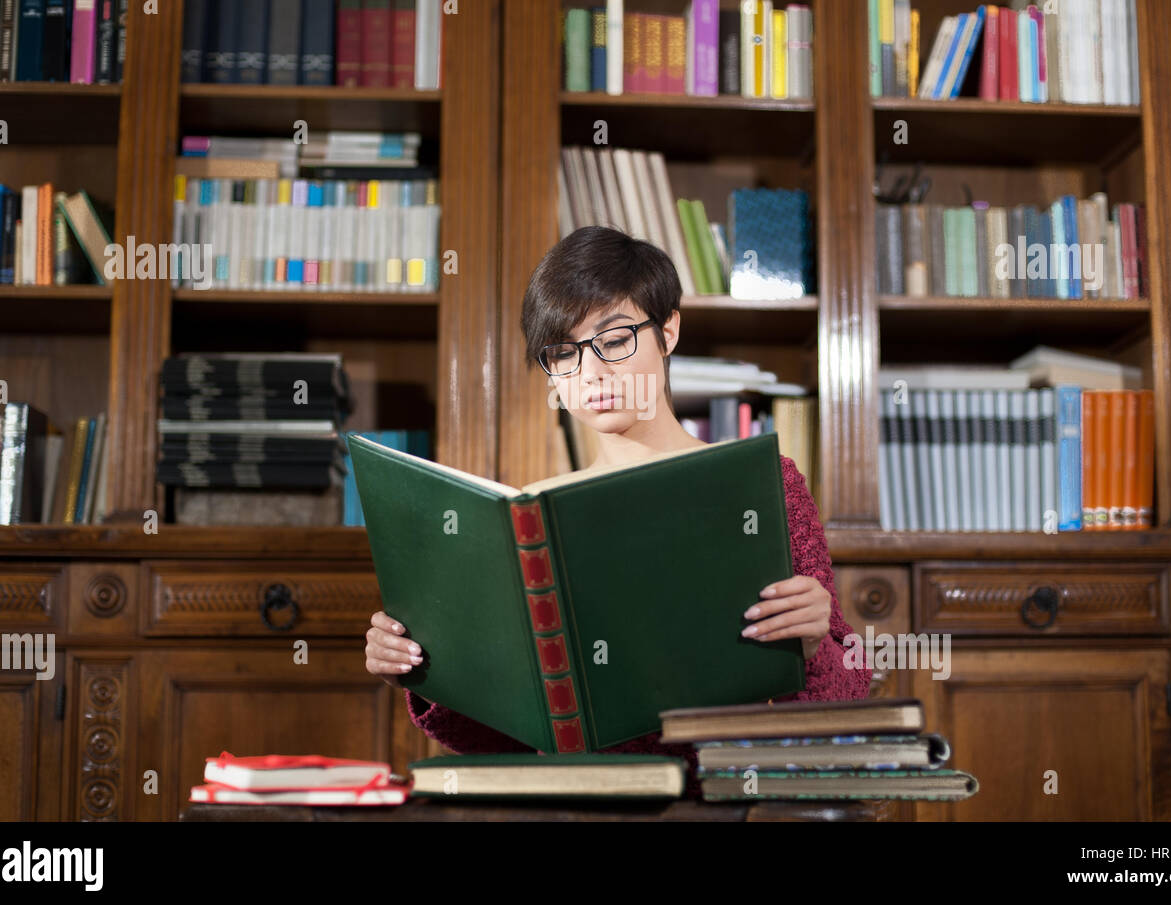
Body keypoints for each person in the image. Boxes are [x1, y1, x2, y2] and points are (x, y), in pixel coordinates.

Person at [364, 225, 871, 795]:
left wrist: (811, 645)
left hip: (723, 796)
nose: (591, 373)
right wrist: (425, 671)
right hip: (583, 798)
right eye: (563, 352)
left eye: (614, 339)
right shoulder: (536, 518)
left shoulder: (764, 487)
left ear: (668, 330)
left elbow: (848, 702)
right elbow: (509, 740)